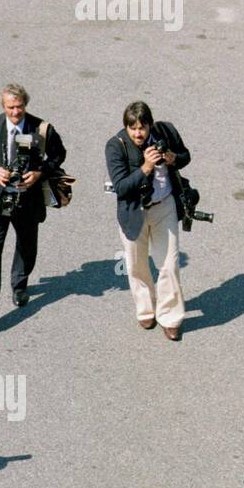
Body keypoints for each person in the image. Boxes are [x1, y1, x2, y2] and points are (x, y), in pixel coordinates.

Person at [0, 83, 67, 332]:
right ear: (3, 107)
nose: (15, 112)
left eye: (19, 106)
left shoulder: (41, 128)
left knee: (26, 246)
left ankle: (19, 284)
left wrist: (39, 173)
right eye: (10, 107)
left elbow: (58, 154)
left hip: (27, 202)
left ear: (26, 104)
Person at [104, 101, 191, 339]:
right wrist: (146, 167)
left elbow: (186, 157)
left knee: (169, 264)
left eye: (142, 128)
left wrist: (172, 158)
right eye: (132, 128)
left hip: (164, 207)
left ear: (150, 125)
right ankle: (145, 310)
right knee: (137, 265)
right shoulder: (115, 146)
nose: (138, 133)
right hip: (134, 211)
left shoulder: (165, 132)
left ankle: (170, 317)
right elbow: (121, 187)